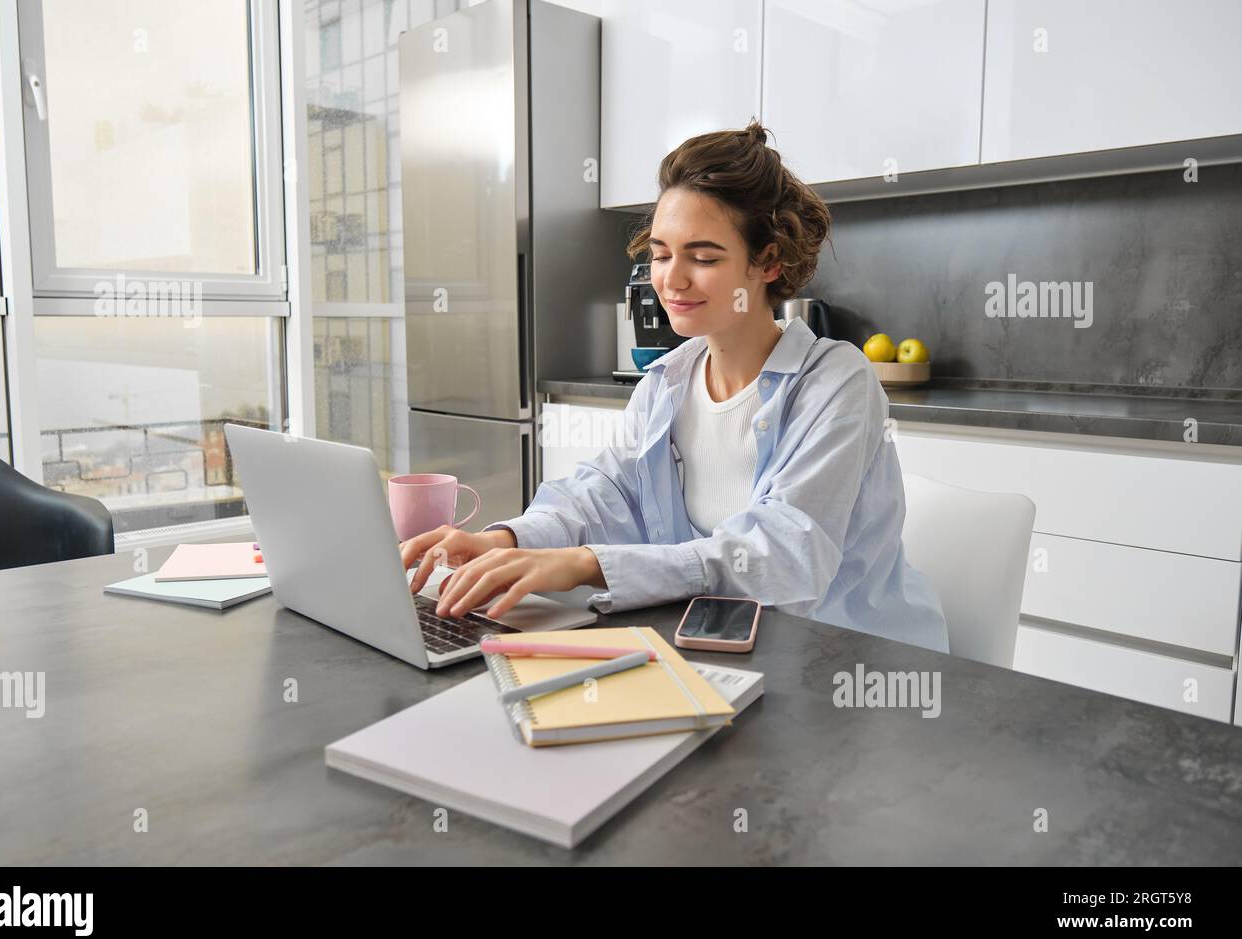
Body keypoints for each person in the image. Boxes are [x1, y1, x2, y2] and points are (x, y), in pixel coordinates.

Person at [401, 120, 949, 653]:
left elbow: (785, 552)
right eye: (661, 254)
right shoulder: (667, 380)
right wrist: (505, 540)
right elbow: (600, 494)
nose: (672, 279)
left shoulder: (836, 381)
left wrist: (586, 563)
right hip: (720, 646)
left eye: (704, 257)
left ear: (769, 261)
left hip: (845, 664)